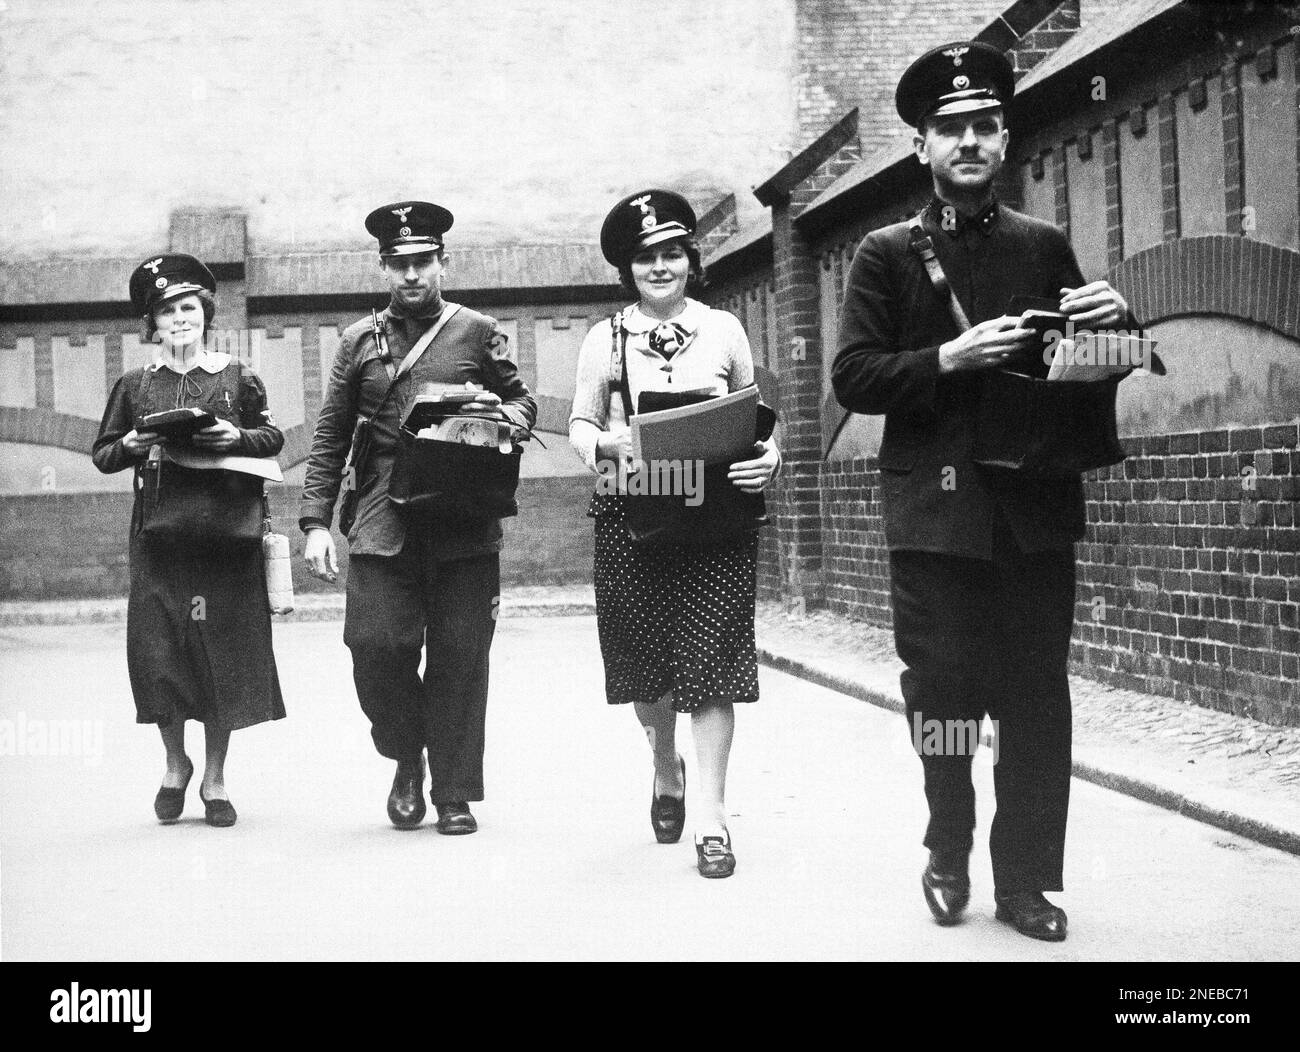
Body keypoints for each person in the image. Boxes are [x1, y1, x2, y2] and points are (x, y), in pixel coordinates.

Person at [832, 42, 1141, 940]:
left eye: (984, 126)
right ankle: (948, 844)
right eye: (950, 129)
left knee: (1038, 697)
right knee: (942, 700)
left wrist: (1113, 322)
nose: (969, 142)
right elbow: (853, 376)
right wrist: (947, 358)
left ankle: (1027, 883)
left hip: (1033, 513)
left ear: (1003, 139)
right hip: (934, 519)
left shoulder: (1045, 245)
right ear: (922, 146)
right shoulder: (886, 255)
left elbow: (1084, 368)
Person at [300, 200, 536, 834]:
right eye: (399, 264)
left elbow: (522, 402)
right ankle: (408, 756)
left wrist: (502, 416)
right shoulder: (358, 342)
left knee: (462, 656)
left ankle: (452, 792)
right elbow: (329, 437)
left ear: (442, 262)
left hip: (461, 516)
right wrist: (316, 523)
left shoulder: (477, 331)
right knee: (374, 646)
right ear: (384, 268)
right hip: (382, 517)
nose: (412, 275)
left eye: (423, 262)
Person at [569, 190, 781, 878]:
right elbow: (575, 428)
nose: (660, 266)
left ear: (691, 258)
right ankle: (666, 764)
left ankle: (712, 820)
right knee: (646, 676)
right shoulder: (607, 337)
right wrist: (612, 446)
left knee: (712, 666)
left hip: (716, 519)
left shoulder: (724, 329)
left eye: (672, 253)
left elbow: (755, 418)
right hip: (631, 513)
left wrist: (768, 459)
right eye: (645, 257)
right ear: (627, 269)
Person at [93, 253, 286, 828]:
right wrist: (131, 443)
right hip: (158, 540)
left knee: (222, 651)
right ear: (152, 325)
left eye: (188, 308)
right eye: (166, 312)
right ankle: (175, 763)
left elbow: (272, 435)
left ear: (205, 314)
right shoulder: (135, 383)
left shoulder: (238, 375)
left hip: (225, 535)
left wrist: (237, 434)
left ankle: (216, 777)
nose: (179, 319)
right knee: (161, 653)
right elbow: (103, 454)